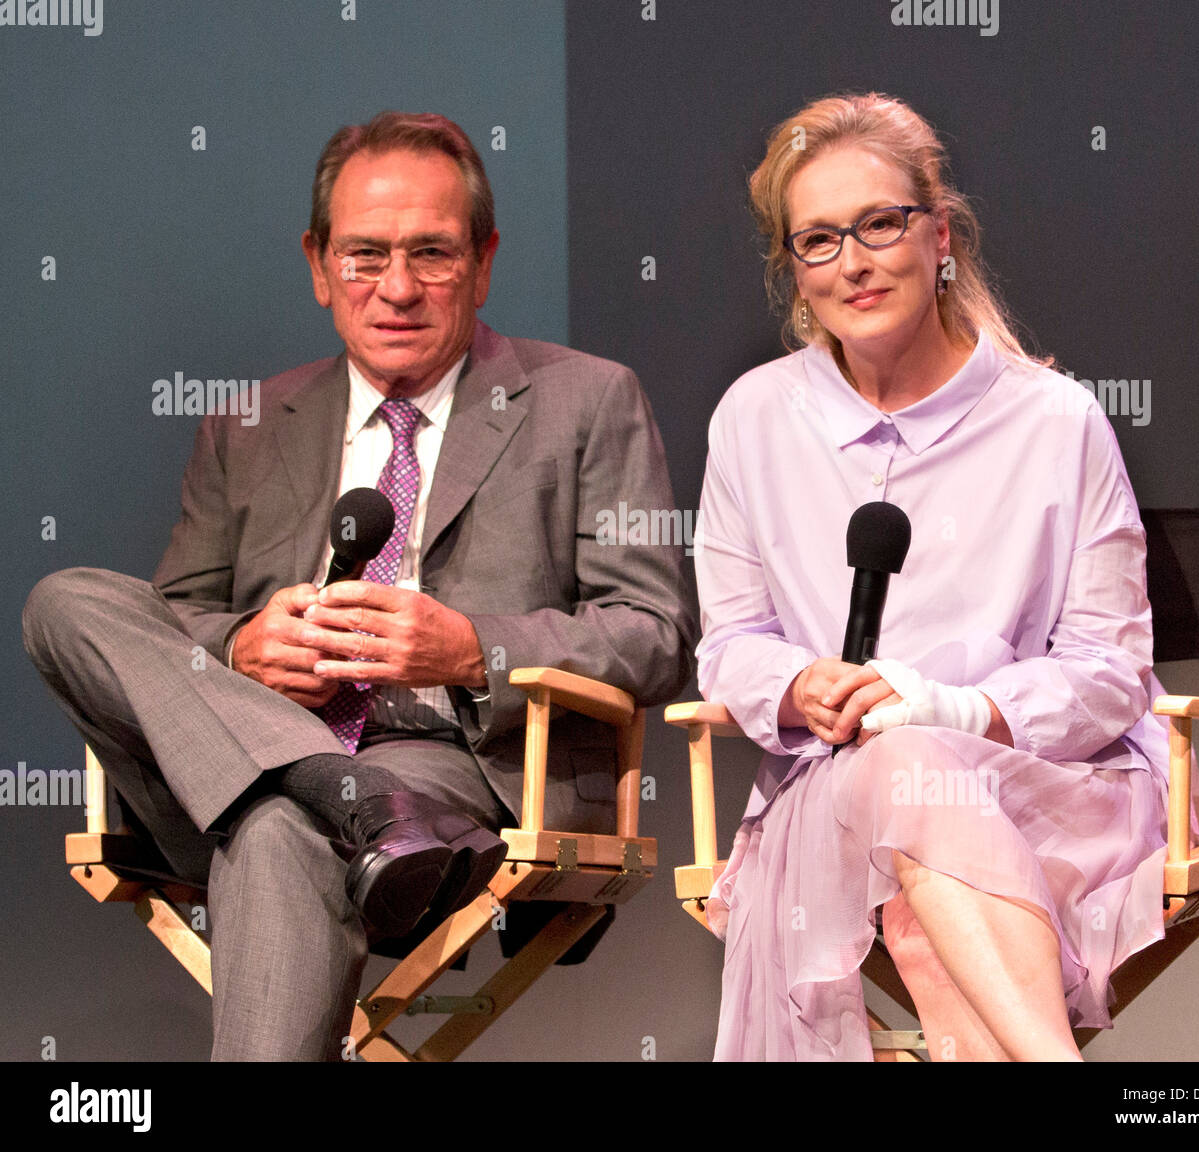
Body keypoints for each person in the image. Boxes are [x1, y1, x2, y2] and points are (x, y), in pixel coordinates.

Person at [23, 111, 696, 1061]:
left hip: (442, 775)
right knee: (65, 600)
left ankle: (320, 794)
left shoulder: (587, 400)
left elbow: (655, 629)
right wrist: (241, 647)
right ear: (316, 263)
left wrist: (469, 648)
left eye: (432, 253)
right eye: (364, 255)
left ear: (485, 260)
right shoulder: (248, 424)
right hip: (225, 769)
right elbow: (171, 625)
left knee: (278, 835)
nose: (397, 288)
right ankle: (319, 779)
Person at [693, 93, 1199, 1061]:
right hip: (837, 798)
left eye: (880, 224)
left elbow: (1108, 670)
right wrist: (801, 686)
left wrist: (949, 709)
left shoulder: (1055, 422)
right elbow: (730, 645)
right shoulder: (751, 420)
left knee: (925, 893)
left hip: (1059, 786)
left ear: (939, 237)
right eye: (817, 240)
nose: (853, 261)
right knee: (896, 776)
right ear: (792, 274)